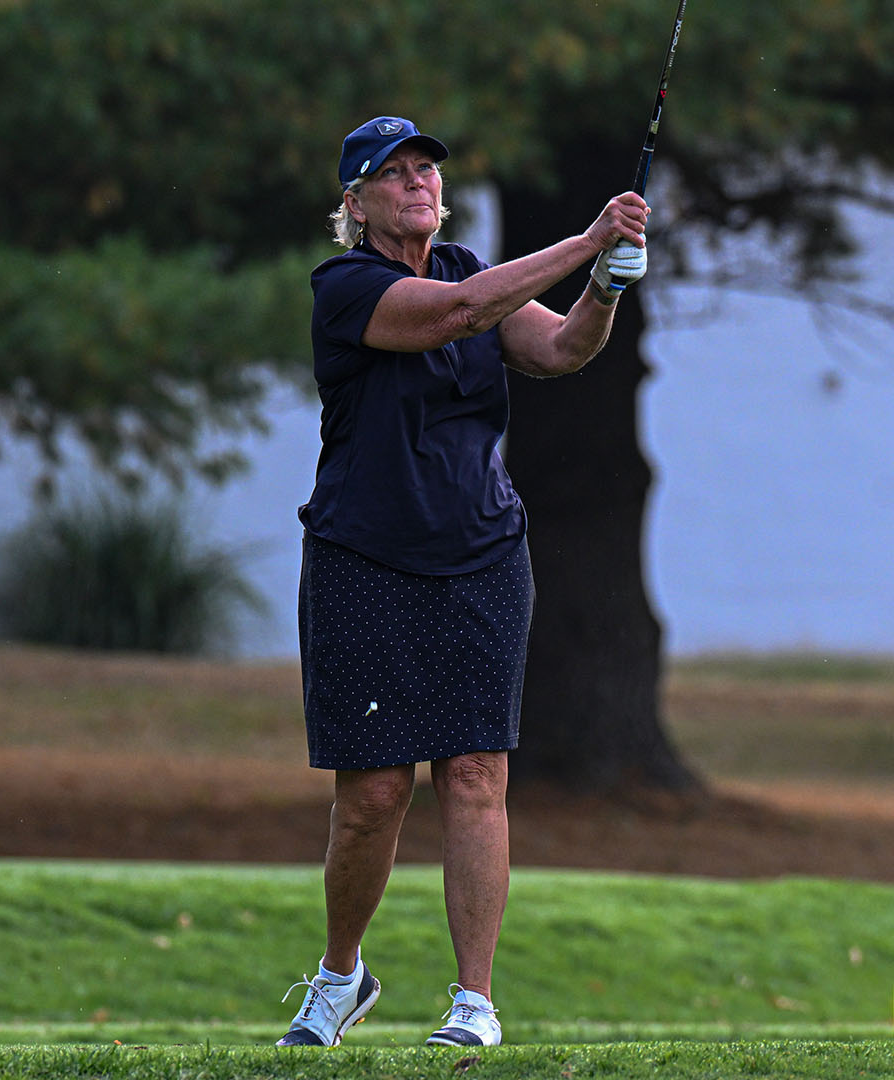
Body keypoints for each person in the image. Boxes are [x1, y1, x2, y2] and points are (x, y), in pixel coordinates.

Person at [275, 115, 650, 1049]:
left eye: (426, 171)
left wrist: (605, 287)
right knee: (372, 795)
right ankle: (340, 978)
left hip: (482, 553)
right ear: (354, 205)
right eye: (392, 175)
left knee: (476, 774)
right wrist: (589, 239)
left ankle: (473, 1003)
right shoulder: (349, 287)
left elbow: (561, 349)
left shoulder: (468, 269)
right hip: (364, 555)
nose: (418, 185)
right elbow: (458, 315)